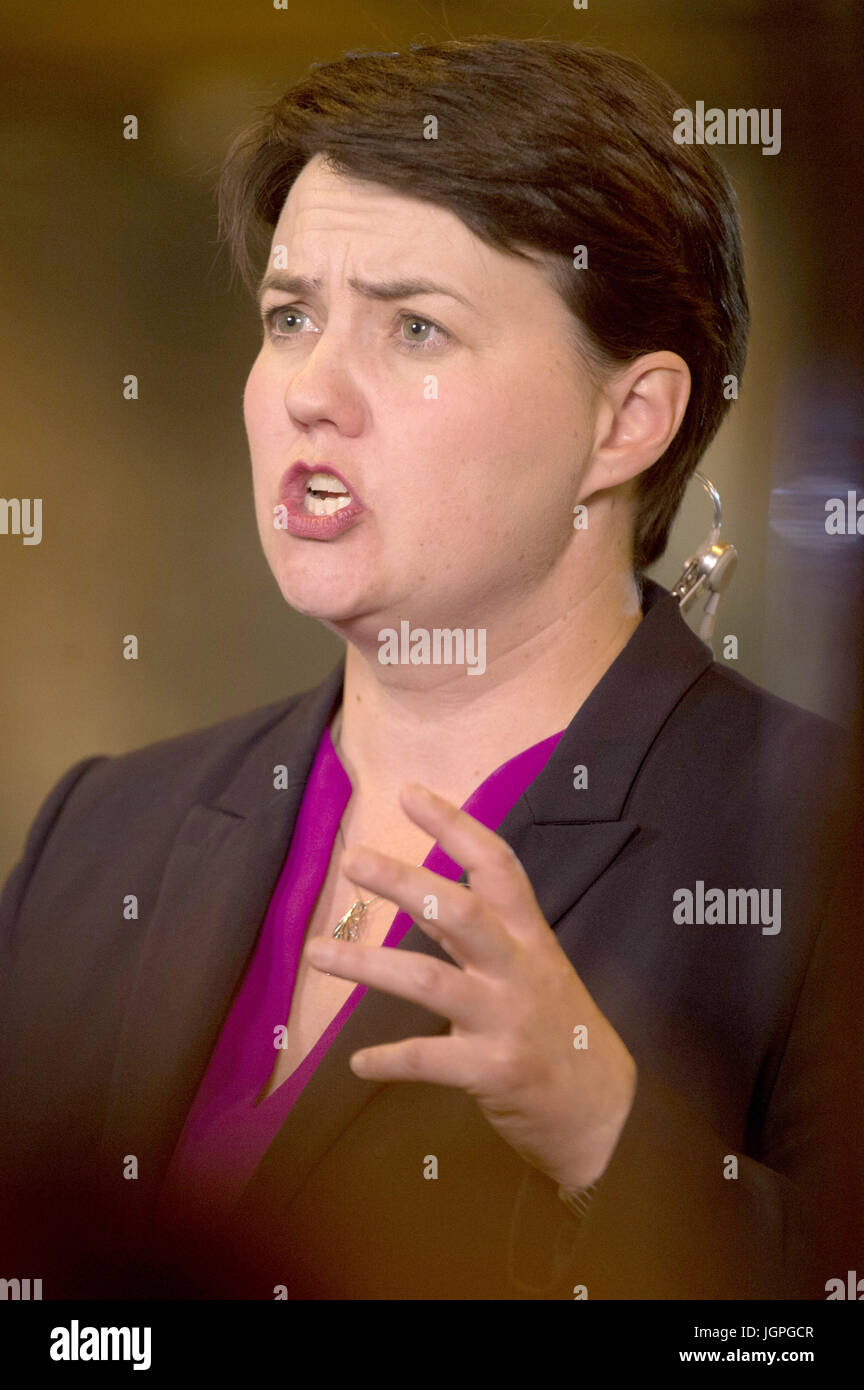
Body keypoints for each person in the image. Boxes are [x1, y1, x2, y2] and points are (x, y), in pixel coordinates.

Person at [0, 36, 859, 1301]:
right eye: (291, 317)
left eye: (414, 327)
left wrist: (606, 1130)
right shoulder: (102, 831)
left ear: (629, 420)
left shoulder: (817, 840)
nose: (312, 391)